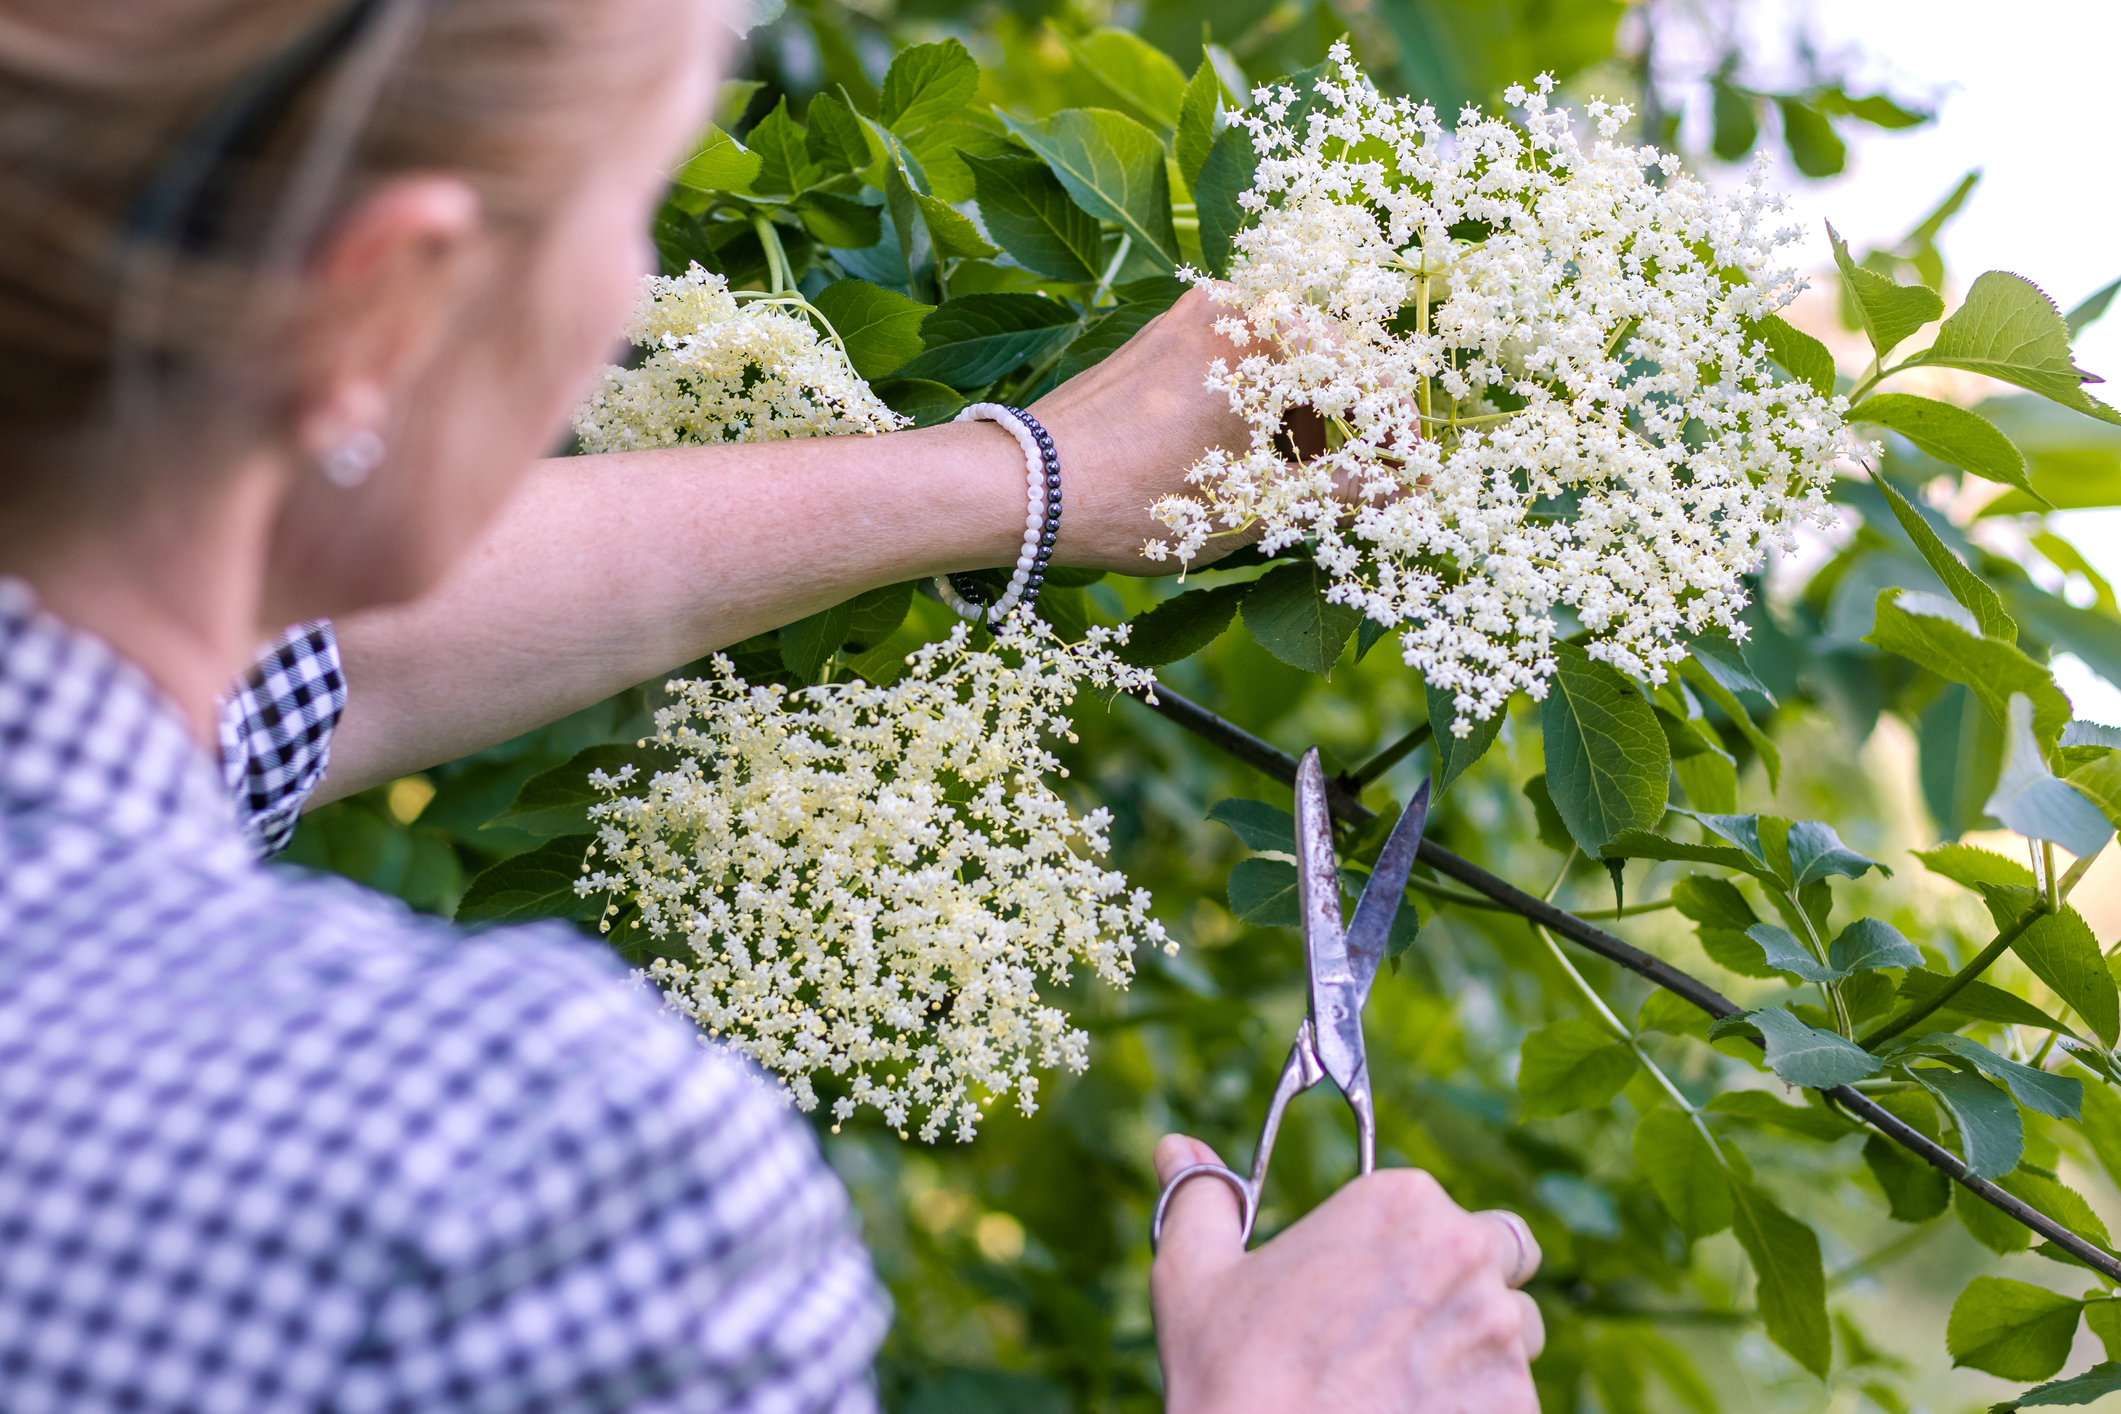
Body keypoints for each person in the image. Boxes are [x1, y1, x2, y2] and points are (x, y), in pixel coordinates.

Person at [0, 1, 1544, 1409]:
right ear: (388, 302)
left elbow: (319, 665)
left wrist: (1022, 477)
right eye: (629, 199)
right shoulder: (522, 1177)